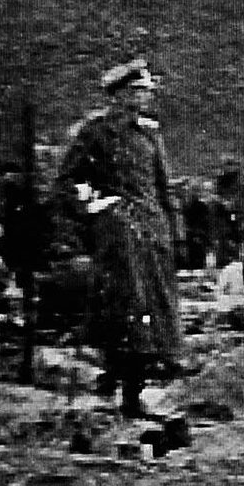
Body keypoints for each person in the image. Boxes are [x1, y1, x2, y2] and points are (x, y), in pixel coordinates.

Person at [56, 58, 184, 419]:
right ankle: (125, 390)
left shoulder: (150, 134)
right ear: (118, 95)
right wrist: (93, 208)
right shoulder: (94, 133)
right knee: (125, 311)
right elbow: (67, 182)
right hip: (117, 236)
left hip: (151, 235)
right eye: (137, 92)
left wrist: (175, 232)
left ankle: (136, 388)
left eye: (145, 92)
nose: (144, 98)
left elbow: (163, 185)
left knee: (153, 313)